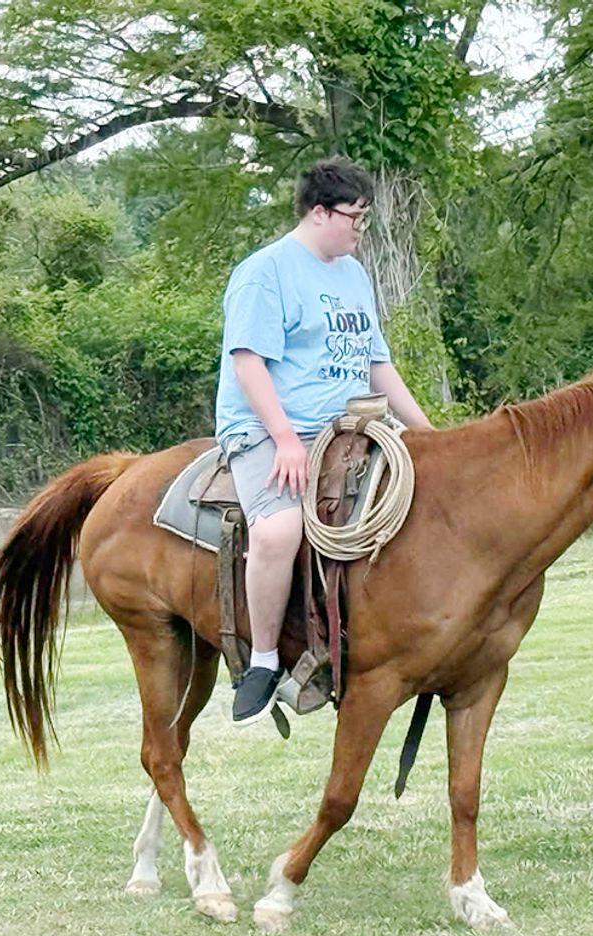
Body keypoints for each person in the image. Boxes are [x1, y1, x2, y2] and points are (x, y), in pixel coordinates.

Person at [214, 157, 432, 725]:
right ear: (318, 212)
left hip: (349, 426)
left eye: (364, 218)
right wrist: (284, 439)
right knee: (279, 528)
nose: (361, 229)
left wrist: (430, 432)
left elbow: (377, 366)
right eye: (354, 217)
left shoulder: (353, 275)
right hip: (269, 427)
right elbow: (248, 363)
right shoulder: (266, 273)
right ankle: (263, 660)